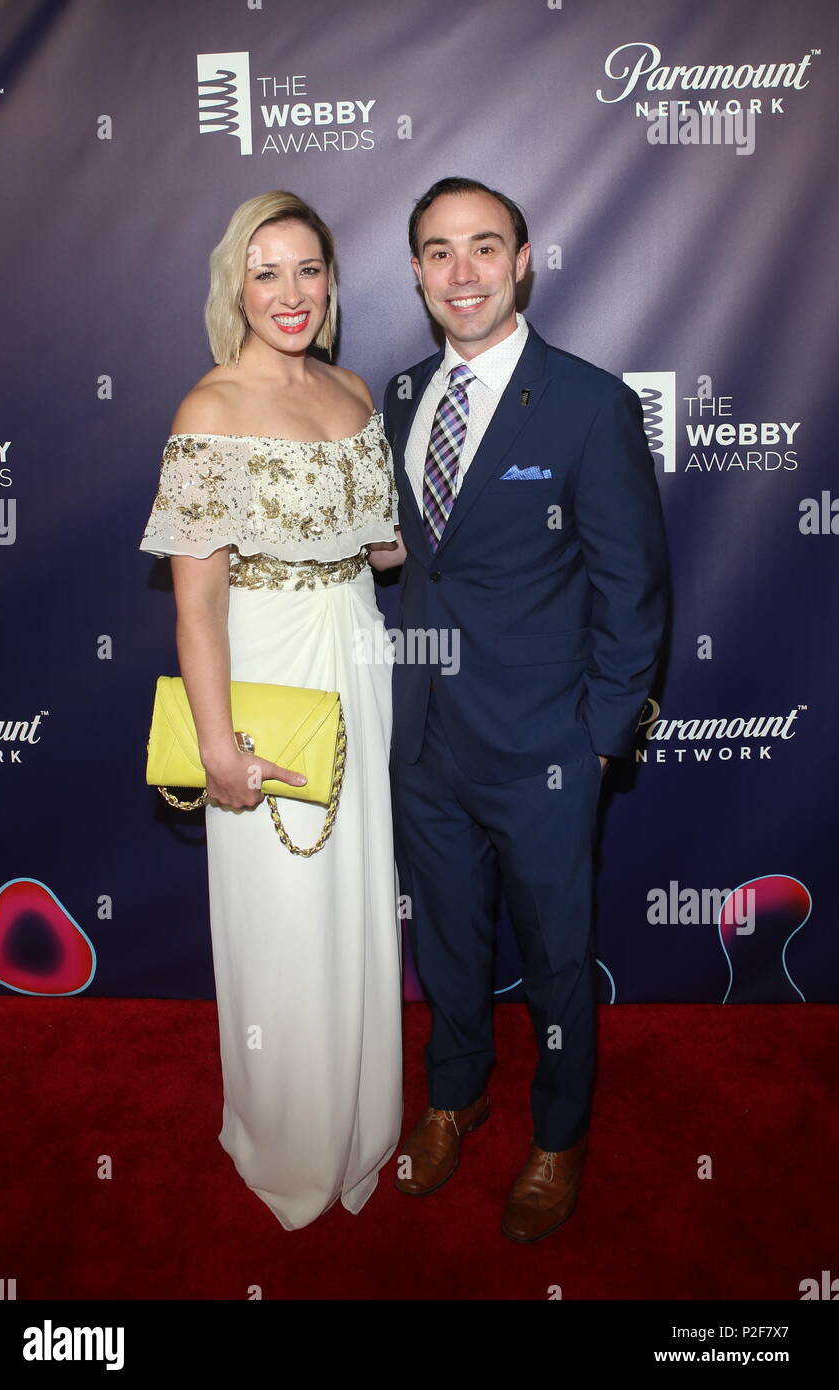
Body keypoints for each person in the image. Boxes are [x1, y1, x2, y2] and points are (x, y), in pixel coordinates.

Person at [382, 177, 669, 1241]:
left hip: (546, 745)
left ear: (522, 259)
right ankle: (453, 1097)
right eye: (438, 252)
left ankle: (558, 1134)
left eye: (482, 248)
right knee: (448, 943)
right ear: (414, 272)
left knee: (555, 956)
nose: (461, 272)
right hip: (425, 737)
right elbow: (423, 553)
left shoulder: (590, 403)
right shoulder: (402, 397)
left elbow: (633, 590)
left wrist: (598, 741)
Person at [139, 192, 403, 1230]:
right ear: (234, 288)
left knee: (355, 894)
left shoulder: (350, 390)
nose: (289, 293)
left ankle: (360, 1119)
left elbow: (380, 548)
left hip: (354, 653)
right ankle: (290, 1135)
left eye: (308, 270)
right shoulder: (208, 409)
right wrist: (217, 743)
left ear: (331, 282)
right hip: (263, 666)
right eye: (266, 272)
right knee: (282, 909)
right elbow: (196, 602)